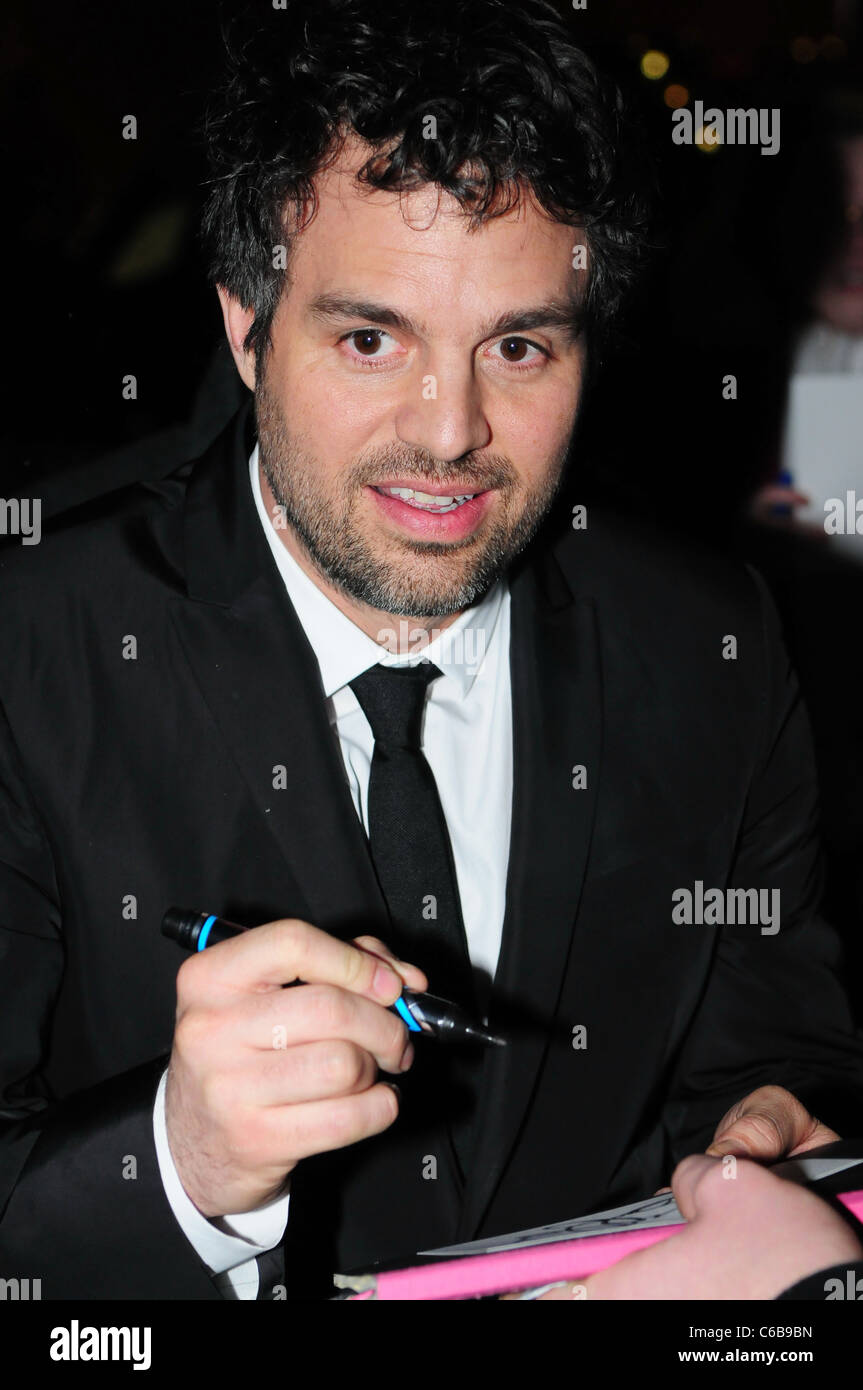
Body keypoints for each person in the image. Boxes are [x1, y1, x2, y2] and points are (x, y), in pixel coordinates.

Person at [1, 0, 862, 1302]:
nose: (451, 432)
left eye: (518, 347)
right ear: (245, 323)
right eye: (371, 338)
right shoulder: (29, 650)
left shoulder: (714, 640)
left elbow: (772, 1040)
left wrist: (773, 1136)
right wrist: (180, 1162)